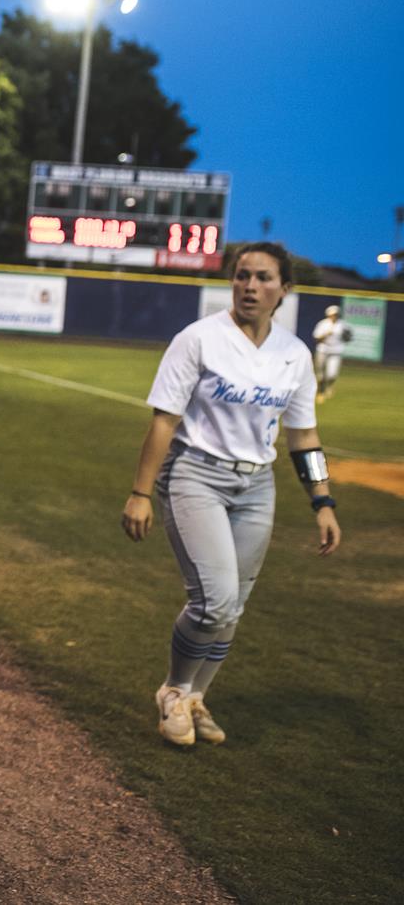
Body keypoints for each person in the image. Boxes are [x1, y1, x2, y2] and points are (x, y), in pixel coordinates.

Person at [121, 242, 341, 747]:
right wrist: (139, 493)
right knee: (214, 602)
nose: (249, 286)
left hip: (257, 485)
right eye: (242, 275)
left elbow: (304, 436)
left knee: (234, 606)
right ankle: (174, 692)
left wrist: (322, 500)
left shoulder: (295, 354)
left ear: (285, 290)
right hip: (194, 475)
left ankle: (196, 696)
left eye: (263, 278)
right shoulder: (199, 339)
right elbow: (164, 420)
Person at [312, 304, 351, 402]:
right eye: (332, 314)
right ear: (328, 315)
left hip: (336, 351)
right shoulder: (323, 324)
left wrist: (346, 336)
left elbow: (348, 338)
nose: (334, 316)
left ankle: (329, 386)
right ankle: (321, 392)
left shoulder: (343, 325)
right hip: (323, 350)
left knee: (332, 374)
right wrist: (326, 334)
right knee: (320, 374)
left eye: (336, 314)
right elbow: (316, 339)